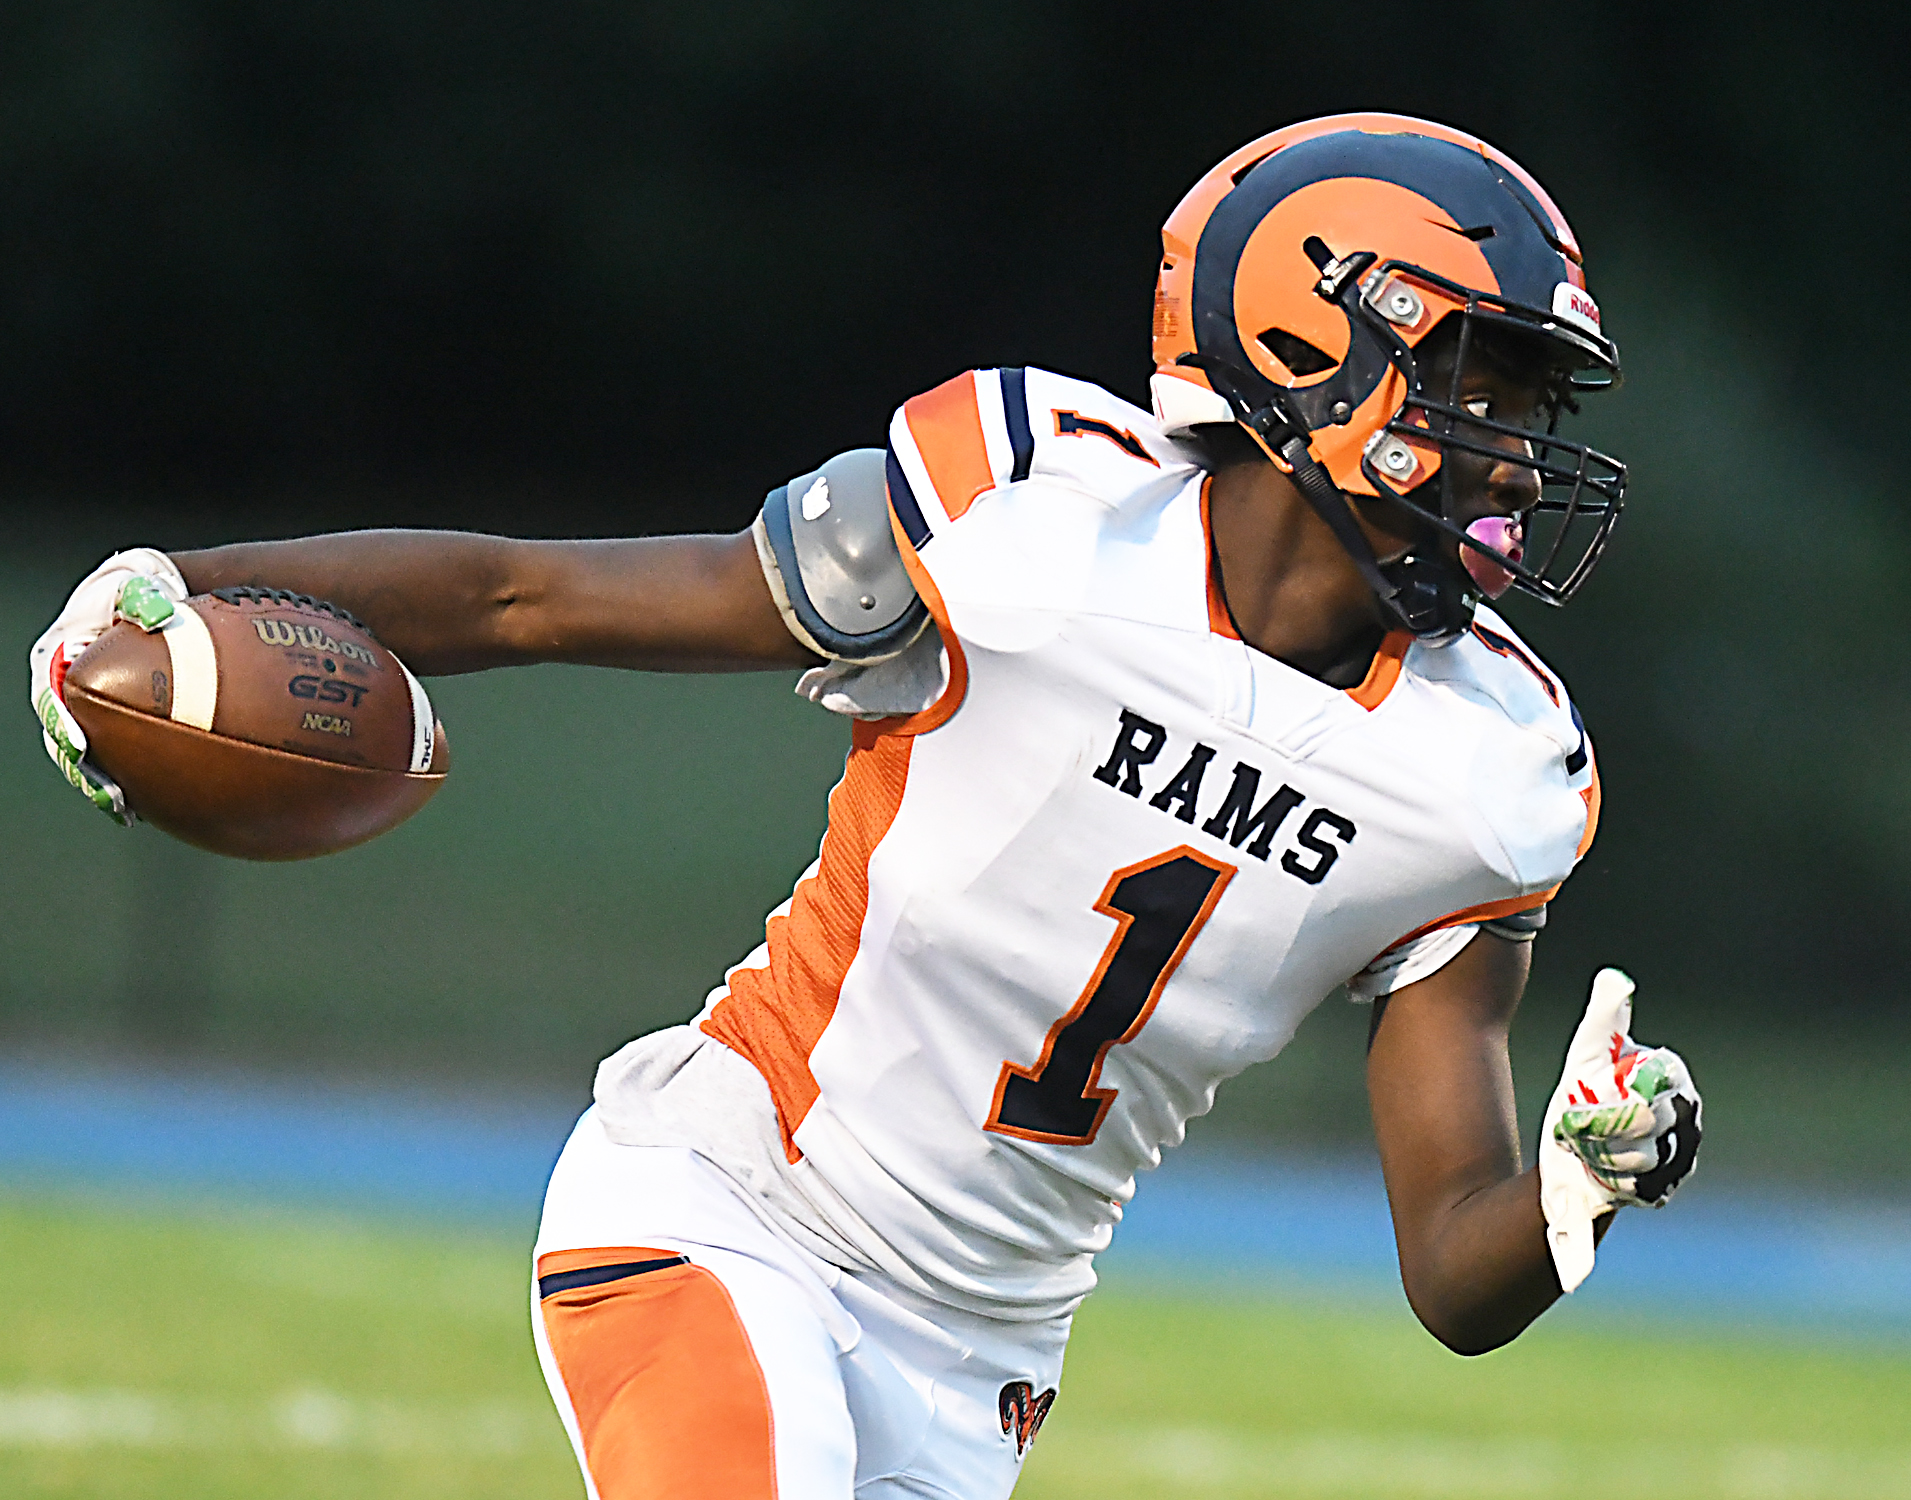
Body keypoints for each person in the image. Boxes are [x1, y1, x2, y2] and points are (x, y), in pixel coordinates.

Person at [29, 113, 1702, 1499]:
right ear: (1306, 342)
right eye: (1482, 385)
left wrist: (1579, 1188)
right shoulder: (1038, 510)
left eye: (1533, 407)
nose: (1514, 454)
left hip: (977, 1373)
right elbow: (534, 595)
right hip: (728, 1203)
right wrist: (184, 586)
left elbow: (1454, 1265)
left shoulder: (1490, 769)